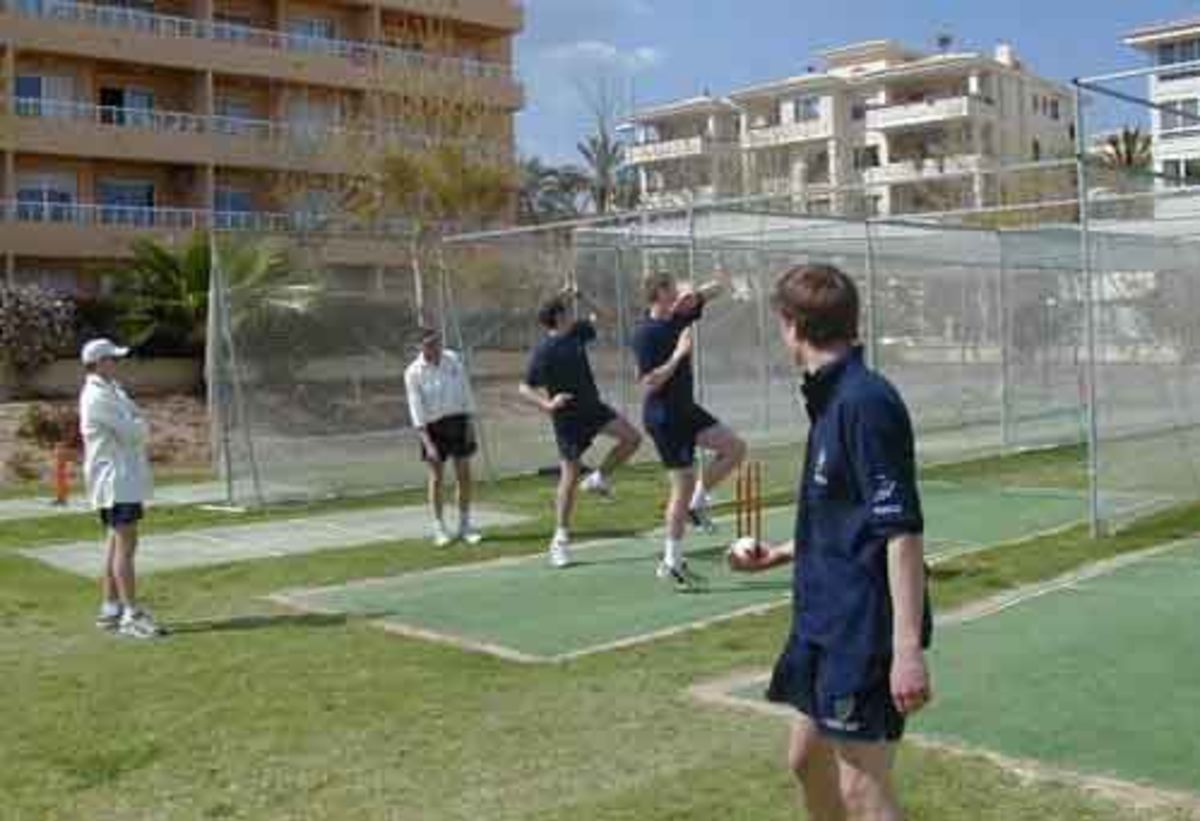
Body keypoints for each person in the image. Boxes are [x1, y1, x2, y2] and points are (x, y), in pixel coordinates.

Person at [728, 264, 932, 821]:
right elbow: (849, 519)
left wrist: (906, 651)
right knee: (806, 761)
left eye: (779, 323)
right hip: (820, 620)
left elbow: (901, 533)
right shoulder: (827, 397)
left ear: (792, 326)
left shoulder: (864, 403)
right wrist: (782, 553)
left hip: (861, 632)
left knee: (863, 791)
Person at [632, 272, 746, 589]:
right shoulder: (646, 334)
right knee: (679, 488)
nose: (679, 292)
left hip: (685, 410)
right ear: (659, 294)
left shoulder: (677, 315)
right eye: (672, 288)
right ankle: (672, 561)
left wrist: (713, 284)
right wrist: (678, 356)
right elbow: (647, 383)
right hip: (663, 417)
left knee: (735, 448)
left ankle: (699, 502)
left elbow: (709, 293)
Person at [519, 293, 642, 568]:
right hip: (567, 418)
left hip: (593, 407)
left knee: (632, 439)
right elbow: (524, 387)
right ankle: (559, 540)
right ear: (559, 317)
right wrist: (547, 404)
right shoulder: (544, 351)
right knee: (570, 475)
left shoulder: (577, 333)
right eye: (568, 310)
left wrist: (582, 295)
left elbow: (609, 319)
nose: (573, 313)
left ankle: (599, 478)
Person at [79, 338, 161, 640]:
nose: (117, 363)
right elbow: (133, 432)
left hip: (122, 477)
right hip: (115, 480)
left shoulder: (112, 389)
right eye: (112, 359)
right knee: (126, 545)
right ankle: (131, 614)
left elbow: (137, 423)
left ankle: (110, 609)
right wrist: (138, 424)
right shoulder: (95, 396)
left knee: (115, 542)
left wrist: (137, 423)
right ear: (98, 362)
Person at [404, 327, 482, 547]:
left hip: (458, 421)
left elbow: (466, 391)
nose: (435, 347)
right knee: (436, 477)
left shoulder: (453, 359)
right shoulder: (412, 372)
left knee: (464, 475)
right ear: (419, 346)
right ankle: (439, 528)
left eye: (436, 342)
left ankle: (465, 526)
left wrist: (469, 423)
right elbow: (416, 409)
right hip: (432, 428)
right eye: (429, 344)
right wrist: (428, 443)